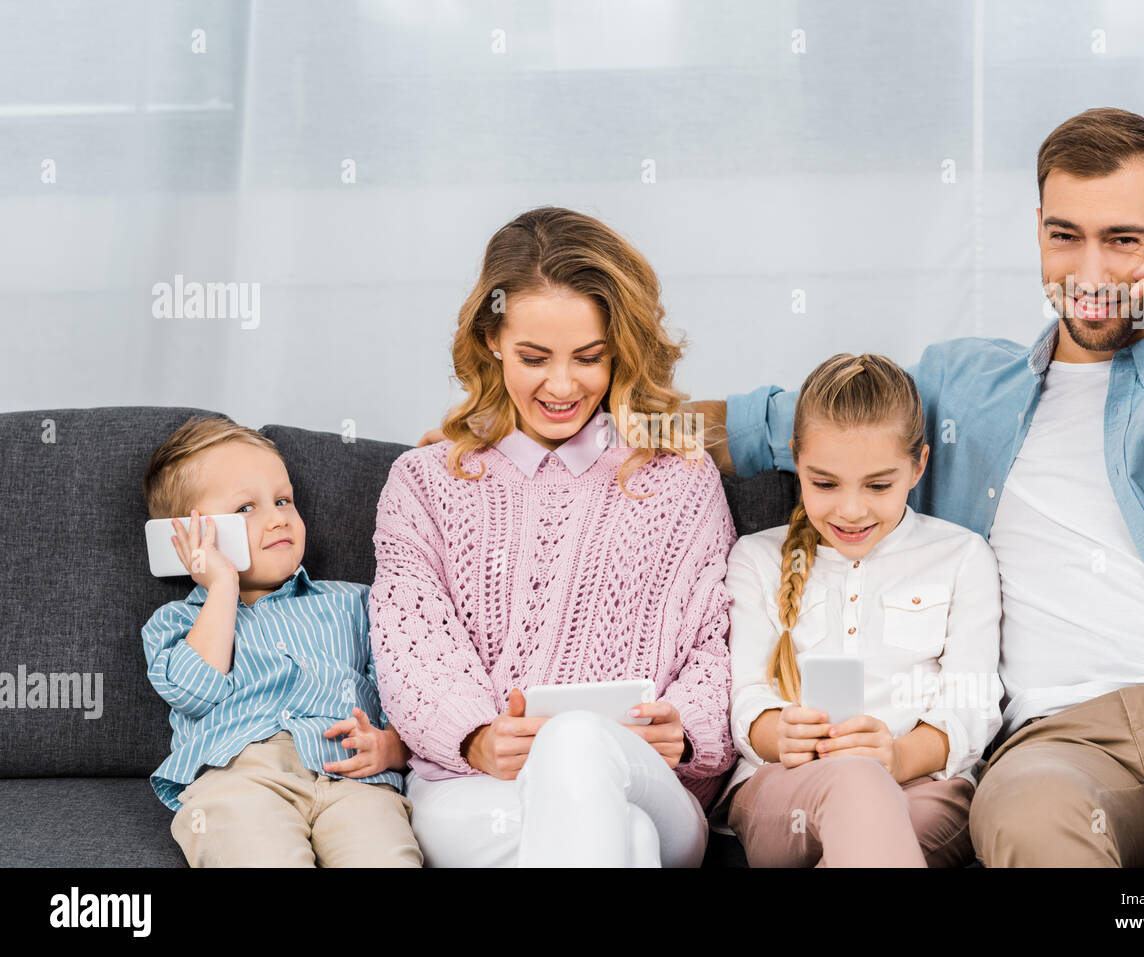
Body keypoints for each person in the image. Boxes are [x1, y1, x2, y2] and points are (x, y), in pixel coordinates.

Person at [695, 107, 1144, 866]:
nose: (1088, 273)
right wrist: (598, 418)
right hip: (1060, 740)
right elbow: (778, 423)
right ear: (1038, 228)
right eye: (1064, 235)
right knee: (1023, 817)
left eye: (1122, 240)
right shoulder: (961, 386)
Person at [373, 206, 736, 867]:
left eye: (590, 357)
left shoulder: (681, 476)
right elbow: (409, 637)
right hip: (476, 789)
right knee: (628, 840)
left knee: (577, 744)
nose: (563, 385)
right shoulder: (423, 481)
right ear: (490, 338)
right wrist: (475, 733)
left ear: (620, 349)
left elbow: (718, 640)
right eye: (534, 357)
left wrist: (684, 730)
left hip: (652, 780)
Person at [720, 353, 1002, 867]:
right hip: (785, 789)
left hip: (923, 788)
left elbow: (973, 700)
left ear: (918, 465)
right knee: (859, 793)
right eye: (825, 484)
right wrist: (778, 732)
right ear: (796, 462)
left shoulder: (962, 557)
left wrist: (896, 757)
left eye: (878, 485)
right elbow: (744, 696)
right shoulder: (757, 558)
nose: (851, 511)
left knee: (873, 822)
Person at [140, 415, 422, 867]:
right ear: (188, 538)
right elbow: (196, 690)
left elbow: (407, 695)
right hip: (240, 778)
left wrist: (392, 746)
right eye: (246, 509)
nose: (277, 520)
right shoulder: (177, 622)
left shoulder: (356, 603)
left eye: (283, 501)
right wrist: (222, 586)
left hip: (353, 778)